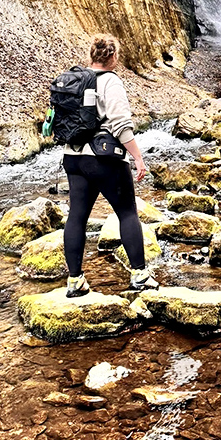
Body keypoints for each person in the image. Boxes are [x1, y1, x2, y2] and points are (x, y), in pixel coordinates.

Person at [62, 34, 158, 297]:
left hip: (73, 156)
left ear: (92, 55)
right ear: (113, 56)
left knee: (77, 217)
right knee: (127, 213)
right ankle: (139, 276)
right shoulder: (110, 81)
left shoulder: (74, 80)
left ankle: (75, 281)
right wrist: (138, 157)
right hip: (103, 158)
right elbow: (121, 126)